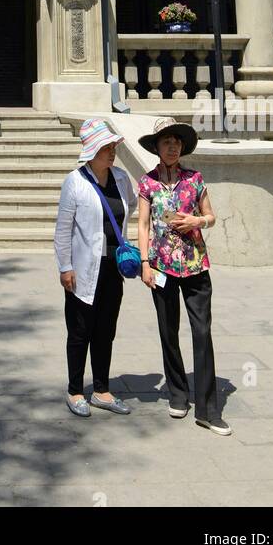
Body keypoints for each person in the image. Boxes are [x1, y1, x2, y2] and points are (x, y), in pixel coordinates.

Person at [137, 116, 231, 436]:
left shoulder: (195, 179)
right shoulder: (147, 183)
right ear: (157, 148)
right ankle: (177, 393)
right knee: (168, 330)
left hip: (195, 264)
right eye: (166, 142)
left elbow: (211, 217)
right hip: (161, 266)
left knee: (202, 332)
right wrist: (145, 262)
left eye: (176, 141)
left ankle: (207, 408)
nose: (172, 146)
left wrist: (196, 221)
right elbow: (143, 225)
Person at [54, 117, 137, 418]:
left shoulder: (122, 178)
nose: (112, 152)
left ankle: (102, 389)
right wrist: (65, 266)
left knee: (106, 330)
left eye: (113, 147)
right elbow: (63, 230)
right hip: (83, 268)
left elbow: (130, 206)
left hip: (114, 267)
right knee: (79, 331)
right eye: (106, 148)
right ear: (92, 150)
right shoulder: (74, 182)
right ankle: (76, 390)